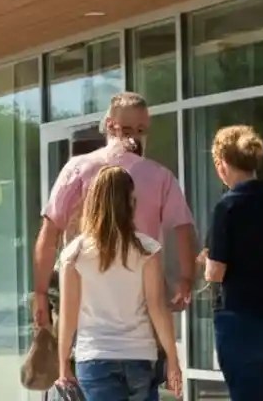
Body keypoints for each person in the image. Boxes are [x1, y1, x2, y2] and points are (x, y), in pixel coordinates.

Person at [33, 92, 196, 325]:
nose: (135, 138)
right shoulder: (158, 176)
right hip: (129, 295)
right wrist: (186, 279)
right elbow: (183, 228)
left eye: (141, 130)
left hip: (91, 294)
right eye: (127, 130)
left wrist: (41, 293)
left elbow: (51, 229)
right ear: (110, 125)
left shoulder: (78, 169)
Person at [55, 166, 183, 401]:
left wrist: (63, 363)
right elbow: (157, 308)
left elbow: (68, 315)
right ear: (130, 203)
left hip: (94, 357)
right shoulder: (147, 250)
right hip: (140, 356)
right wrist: (173, 360)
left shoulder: (74, 255)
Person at [202, 126, 263, 401]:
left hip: (242, 325)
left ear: (222, 164)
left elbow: (215, 272)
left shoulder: (227, 207)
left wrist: (206, 260)